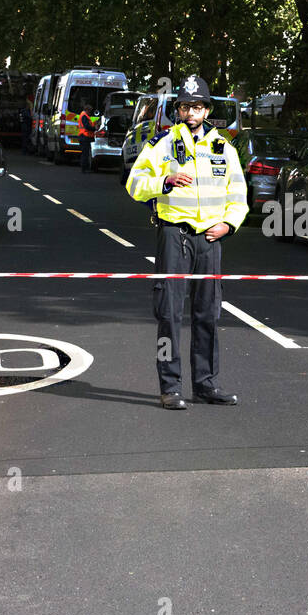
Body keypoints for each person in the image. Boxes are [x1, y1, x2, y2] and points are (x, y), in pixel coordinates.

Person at [125, 76, 247, 409]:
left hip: (209, 238)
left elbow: (238, 195)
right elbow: (134, 184)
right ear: (178, 110)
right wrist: (164, 180)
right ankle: (170, 388)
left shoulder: (224, 148)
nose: (189, 112)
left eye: (196, 106)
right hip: (174, 236)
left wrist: (229, 224)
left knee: (208, 312)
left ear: (207, 110)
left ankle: (206, 385)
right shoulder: (161, 143)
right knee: (169, 313)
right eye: (184, 106)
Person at [78, 101, 96, 173]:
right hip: (84, 136)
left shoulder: (84, 115)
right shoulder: (84, 115)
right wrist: (94, 128)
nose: (90, 113)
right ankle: (84, 168)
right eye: (90, 111)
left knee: (85, 153)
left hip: (84, 136)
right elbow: (87, 126)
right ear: (87, 110)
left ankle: (85, 167)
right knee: (85, 154)